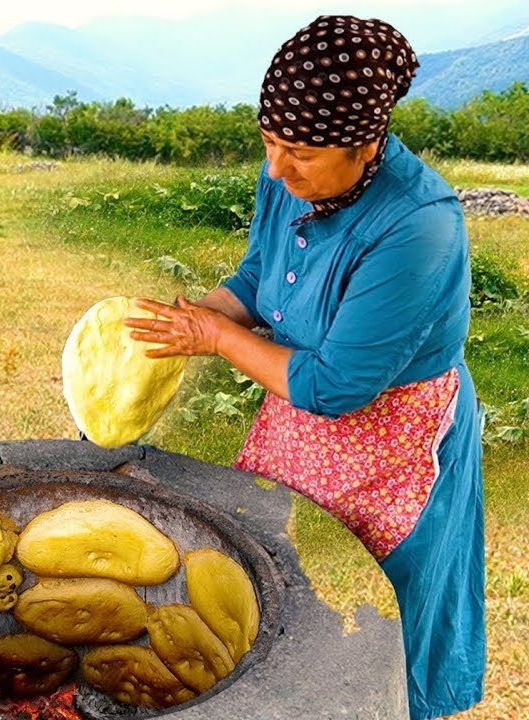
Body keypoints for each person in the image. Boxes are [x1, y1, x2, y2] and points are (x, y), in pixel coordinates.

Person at [124, 16, 484, 720]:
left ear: (367, 144)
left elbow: (335, 385)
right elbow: (262, 276)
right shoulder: (290, 177)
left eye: (298, 152)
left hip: (392, 444)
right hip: (298, 423)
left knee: (370, 628)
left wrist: (218, 340)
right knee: (279, 586)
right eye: (268, 143)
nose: (275, 170)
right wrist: (201, 316)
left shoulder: (419, 226)